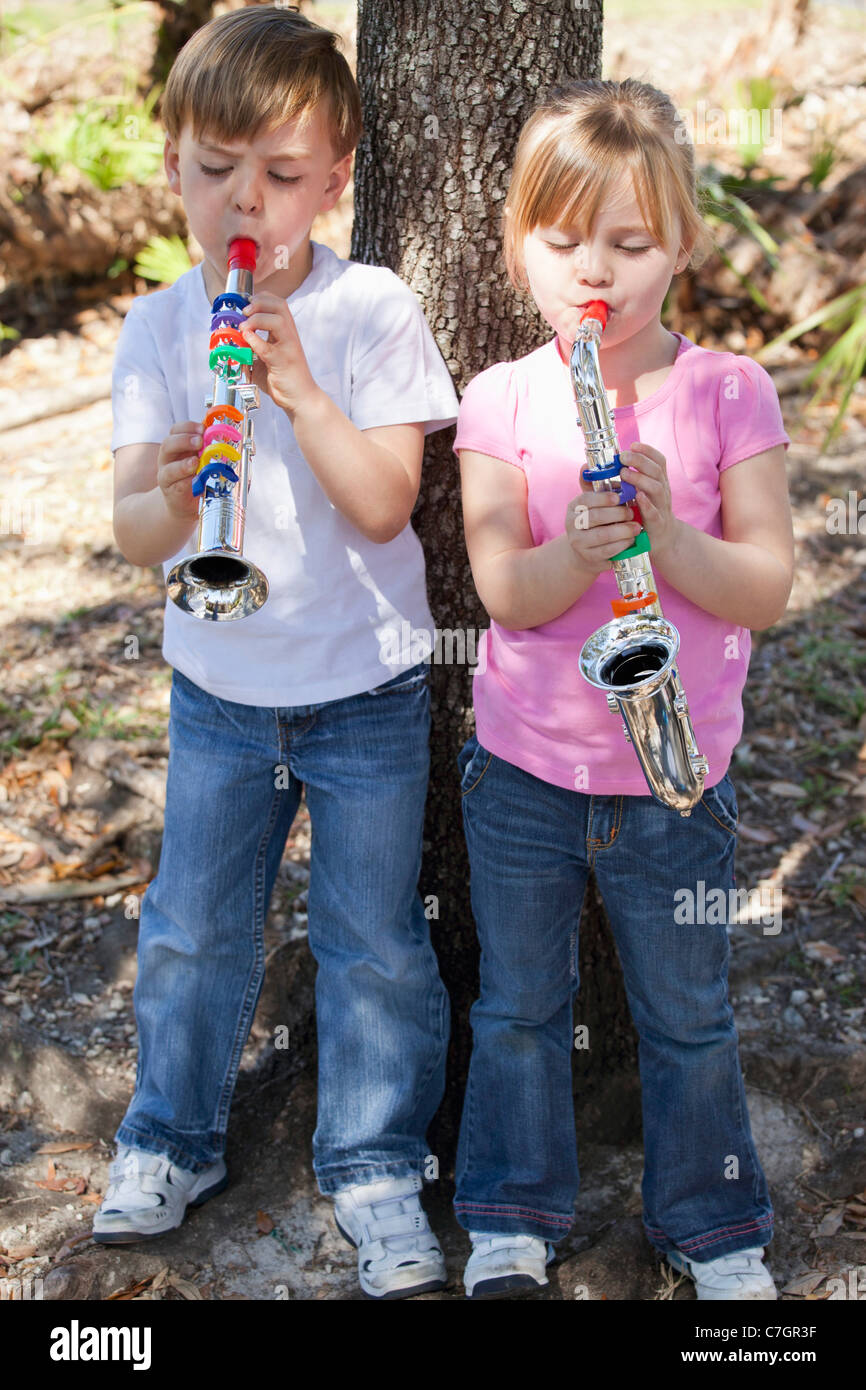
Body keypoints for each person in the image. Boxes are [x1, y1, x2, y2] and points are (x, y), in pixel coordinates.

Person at [97, 6, 458, 1301]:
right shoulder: (157, 326)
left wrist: (299, 389)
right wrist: (183, 472)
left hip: (362, 691)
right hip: (219, 692)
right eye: (212, 167)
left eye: (282, 175)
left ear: (339, 174)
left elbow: (379, 504)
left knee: (370, 939)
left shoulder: (370, 309)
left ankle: (371, 1164)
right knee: (193, 928)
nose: (242, 198)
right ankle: (170, 1137)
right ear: (176, 163)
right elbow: (139, 527)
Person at [453, 78, 794, 1301]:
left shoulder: (726, 392)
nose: (590, 266)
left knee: (686, 1014)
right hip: (524, 776)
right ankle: (506, 1216)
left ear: (682, 244)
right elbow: (504, 588)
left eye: (629, 242)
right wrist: (581, 552)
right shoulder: (500, 399)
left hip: (674, 777)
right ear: (516, 246)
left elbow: (760, 586)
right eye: (559, 240)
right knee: (519, 1009)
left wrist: (667, 536)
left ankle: (714, 1224)